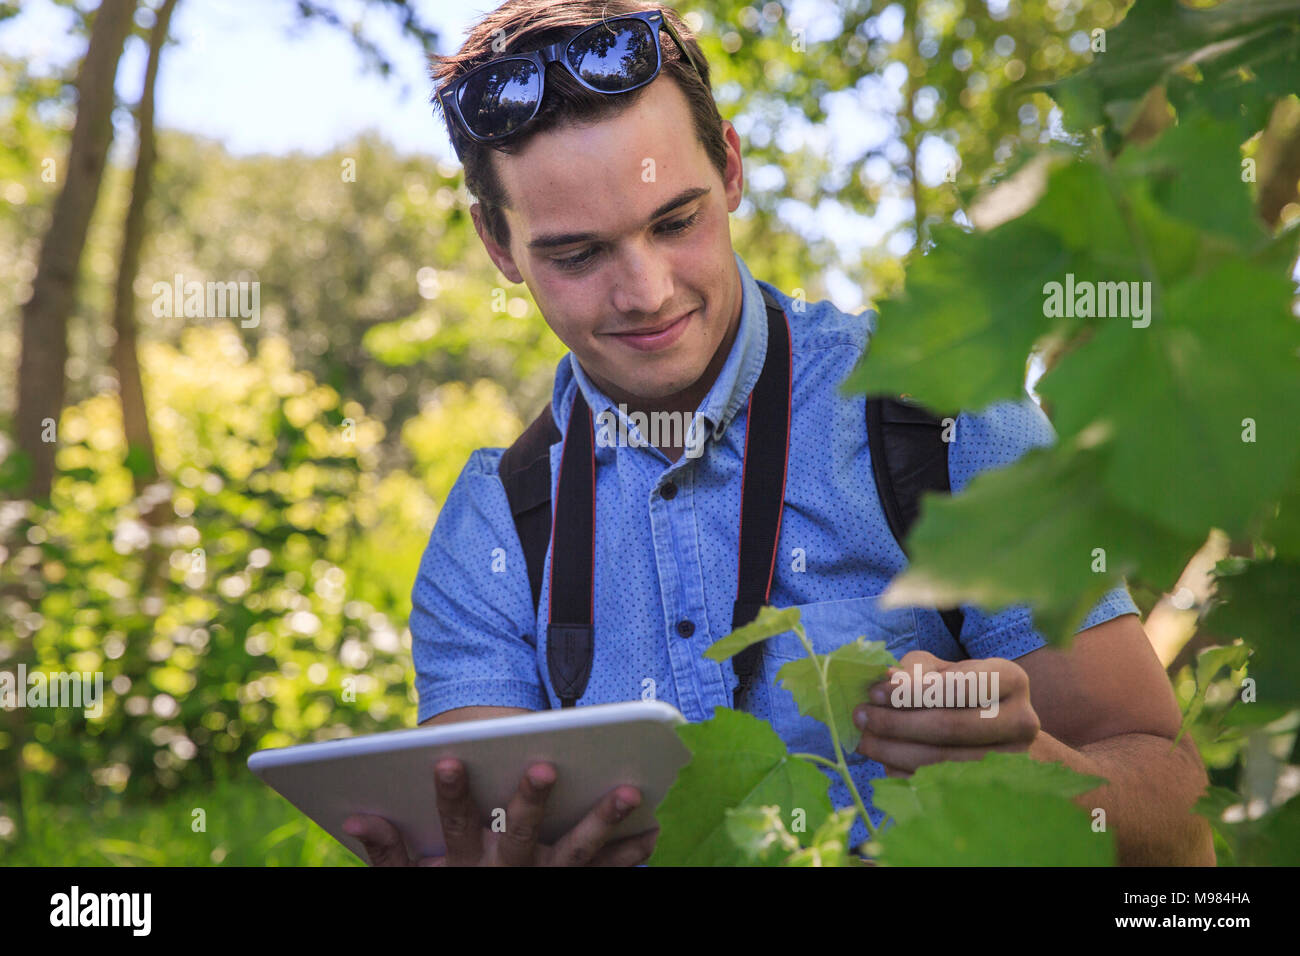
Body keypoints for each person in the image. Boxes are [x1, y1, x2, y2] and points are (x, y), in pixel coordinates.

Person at [344, 0, 1215, 867]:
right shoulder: (490, 528)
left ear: (729, 170)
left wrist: (1030, 771)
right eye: (577, 255)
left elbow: (1180, 833)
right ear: (498, 245)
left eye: (675, 222)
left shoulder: (944, 415)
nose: (646, 292)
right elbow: (484, 828)